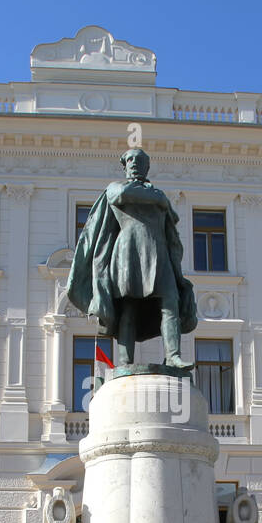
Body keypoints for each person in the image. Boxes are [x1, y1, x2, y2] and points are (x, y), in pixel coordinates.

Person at [67, 148, 196, 367]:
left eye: (139, 161)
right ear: (124, 166)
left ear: (147, 166)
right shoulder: (117, 188)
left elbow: (171, 220)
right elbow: (121, 195)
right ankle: (125, 362)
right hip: (127, 254)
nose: (134, 164)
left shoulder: (158, 195)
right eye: (129, 160)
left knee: (170, 303)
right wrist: (157, 198)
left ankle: (173, 356)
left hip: (159, 255)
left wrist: (159, 199)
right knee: (128, 308)